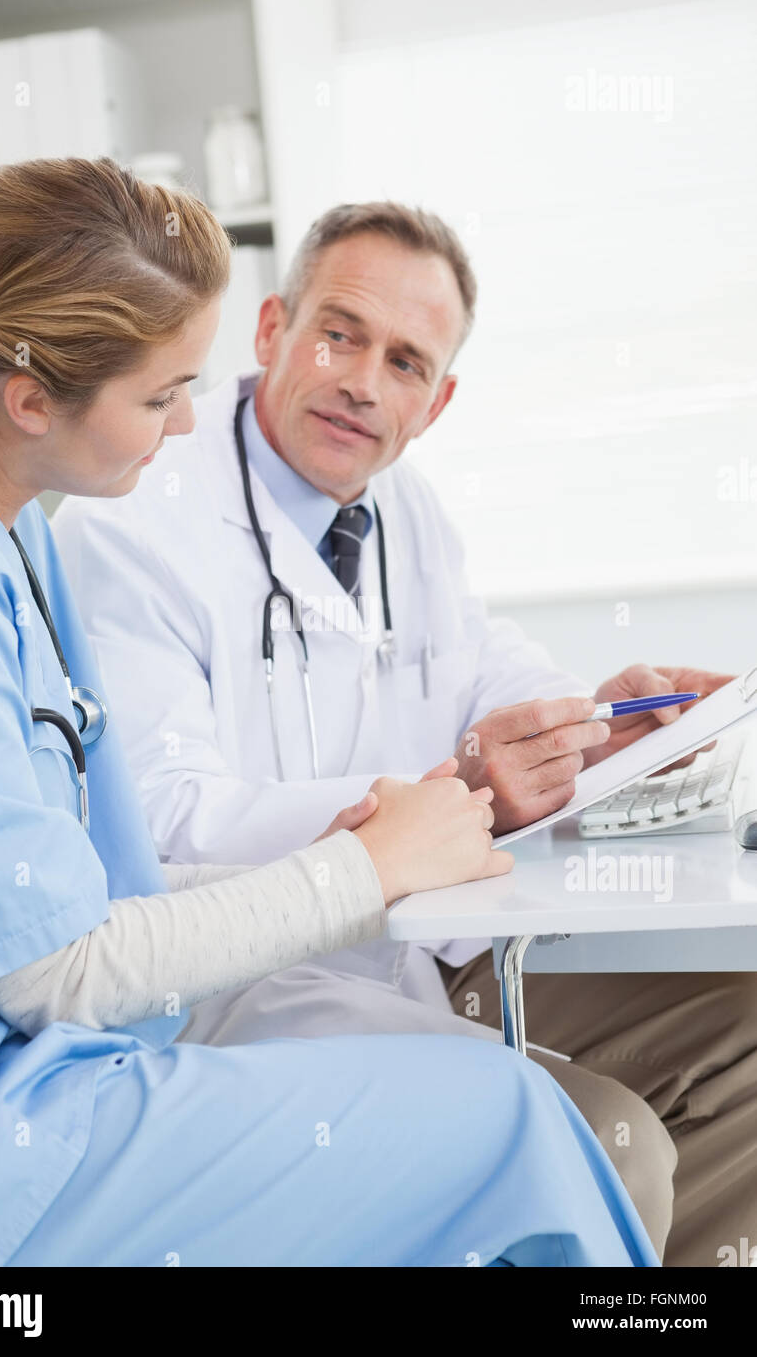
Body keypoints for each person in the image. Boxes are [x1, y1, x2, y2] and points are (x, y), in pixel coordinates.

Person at [0, 157, 661, 1270]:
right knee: (513, 1121)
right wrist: (368, 864)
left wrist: (558, 743)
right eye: (161, 397)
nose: (185, 425)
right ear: (28, 399)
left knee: (519, 1109)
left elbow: (99, 893)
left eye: (405, 361)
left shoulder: (6, 540)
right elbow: (51, 966)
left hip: (62, 1049)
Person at [52, 202, 753, 1268]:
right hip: (253, 976)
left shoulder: (402, 508)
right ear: (272, 328)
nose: (362, 382)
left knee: (744, 1036)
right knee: (610, 1144)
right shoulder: (133, 515)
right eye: (340, 334)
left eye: (406, 362)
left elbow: (475, 663)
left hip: (426, 943)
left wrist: (600, 723)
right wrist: (426, 801)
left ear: (438, 399)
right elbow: (156, 813)